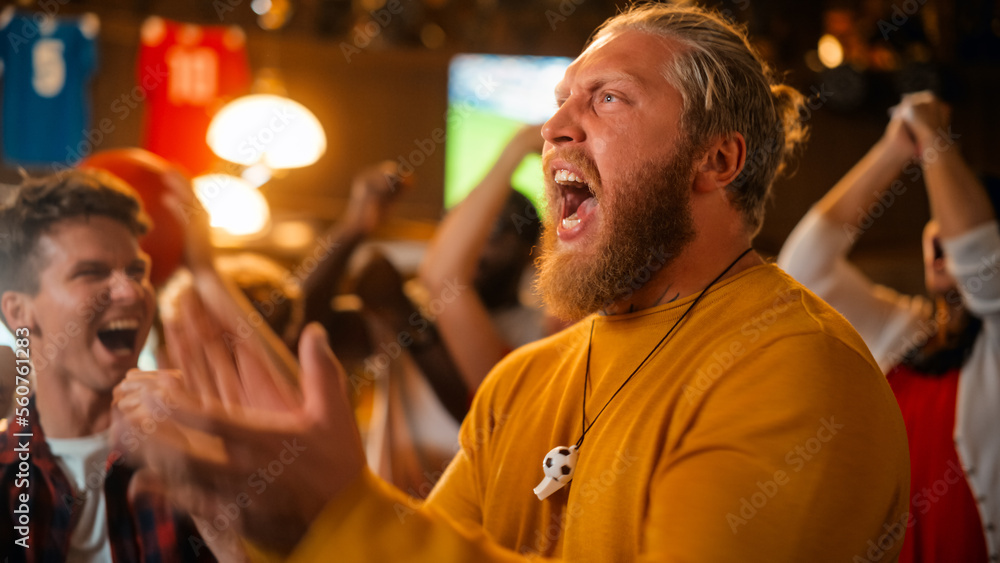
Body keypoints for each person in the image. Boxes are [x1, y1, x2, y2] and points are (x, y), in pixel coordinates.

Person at [117, 4, 911, 560]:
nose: (555, 128)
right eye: (560, 102)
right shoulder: (521, 382)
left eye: (608, 99)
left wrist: (344, 515)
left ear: (717, 160)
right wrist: (266, 532)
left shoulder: (797, 368)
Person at [778, 91, 999, 562]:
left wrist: (936, 140)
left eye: (954, 224)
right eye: (935, 222)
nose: (941, 235)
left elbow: (979, 260)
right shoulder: (903, 329)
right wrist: (894, 149)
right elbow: (803, 272)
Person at [0, 170, 214, 561]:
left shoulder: (196, 455)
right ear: (19, 312)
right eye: (91, 272)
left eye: (137, 272)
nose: (131, 292)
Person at [418, 124, 546, 391]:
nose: (474, 248)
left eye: (496, 230)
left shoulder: (539, 335)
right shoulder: (411, 310)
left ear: (530, 250)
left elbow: (442, 276)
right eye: (463, 231)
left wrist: (519, 146)